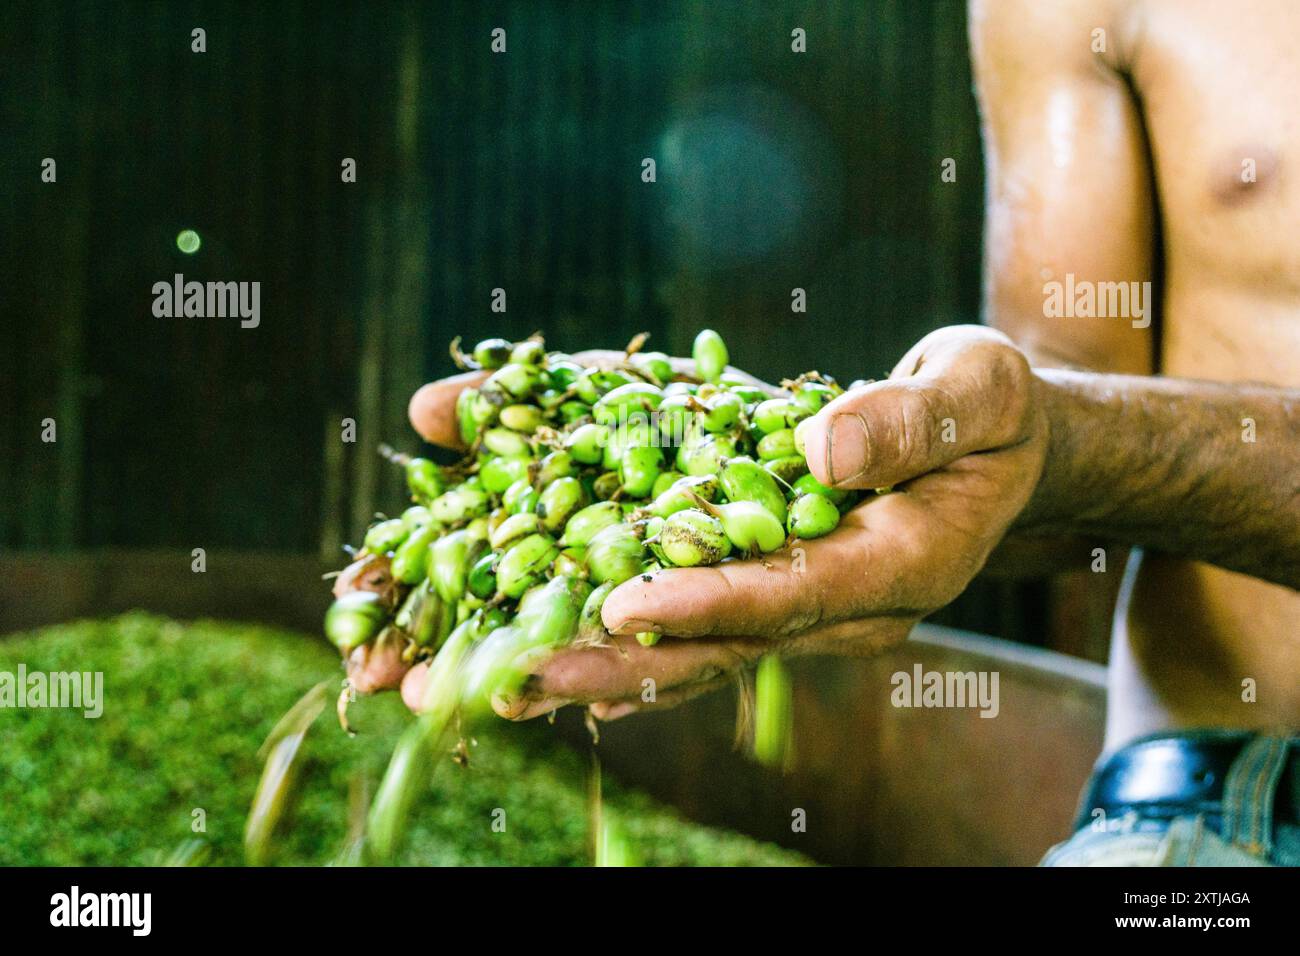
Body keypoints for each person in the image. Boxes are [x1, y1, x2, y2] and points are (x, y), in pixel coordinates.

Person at [385, 0, 1300, 865]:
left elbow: (1076, 430)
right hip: (1219, 799)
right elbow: (1068, 443)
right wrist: (951, 456)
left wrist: (1062, 436)